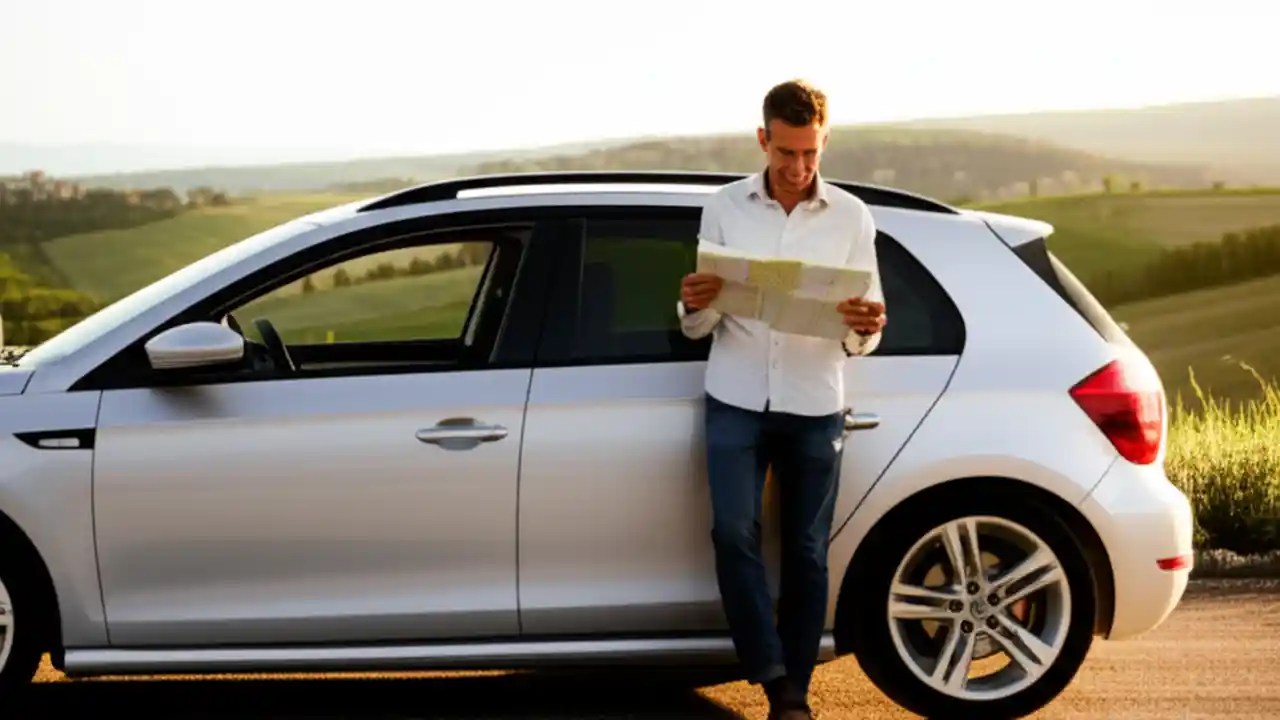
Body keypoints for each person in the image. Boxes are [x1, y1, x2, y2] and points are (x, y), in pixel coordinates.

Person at [677, 79, 886, 720]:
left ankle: (792, 691)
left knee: (805, 550)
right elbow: (695, 326)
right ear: (763, 139)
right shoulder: (723, 207)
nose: (798, 169)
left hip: (814, 400)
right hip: (735, 395)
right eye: (786, 153)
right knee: (733, 531)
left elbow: (866, 332)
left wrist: (867, 326)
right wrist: (694, 303)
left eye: (810, 154)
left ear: (824, 143)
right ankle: (770, 671)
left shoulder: (852, 218)